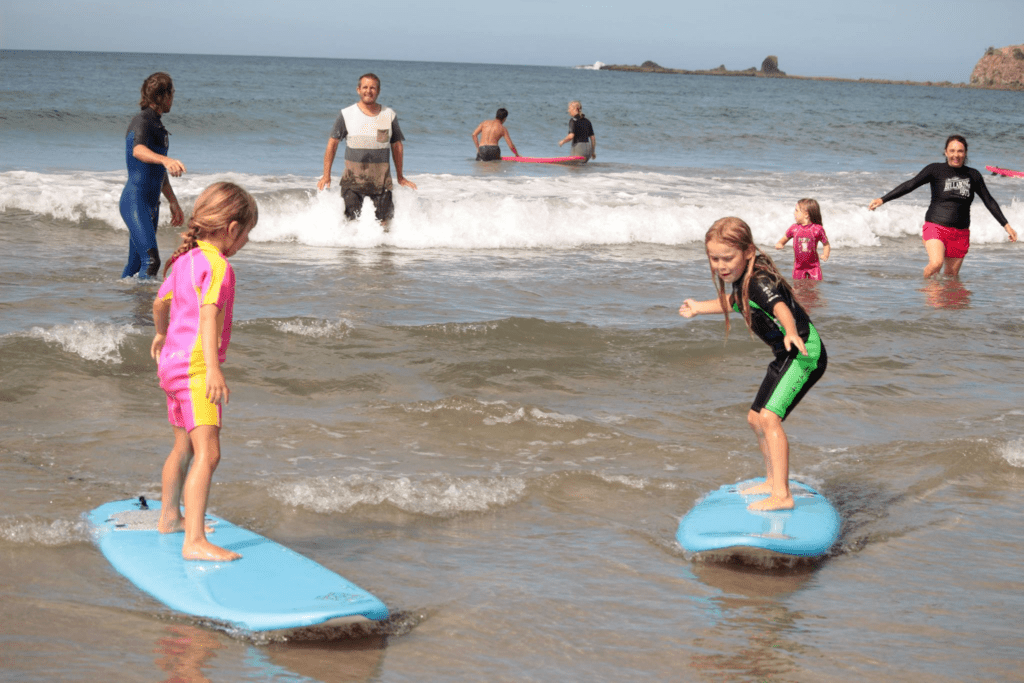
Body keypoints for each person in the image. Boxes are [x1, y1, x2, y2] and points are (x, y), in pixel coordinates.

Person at [679, 217, 827, 511]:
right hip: (785, 356)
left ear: (748, 252)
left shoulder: (758, 281)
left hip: (803, 353)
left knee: (769, 418)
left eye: (727, 258)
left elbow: (780, 307)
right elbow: (733, 302)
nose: (721, 265)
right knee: (755, 418)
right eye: (714, 258)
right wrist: (698, 308)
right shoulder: (743, 281)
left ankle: (782, 495)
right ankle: (772, 482)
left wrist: (791, 331)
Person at [150, 182, 259, 561]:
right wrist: (213, 369)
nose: (246, 240)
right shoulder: (219, 266)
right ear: (232, 228)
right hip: (196, 368)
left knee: (183, 446)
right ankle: (194, 541)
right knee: (208, 454)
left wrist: (160, 334)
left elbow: (159, 302)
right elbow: (209, 315)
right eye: (247, 233)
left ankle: (169, 517)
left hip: (171, 365)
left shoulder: (185, 260)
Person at [868, 134, 1016, 278]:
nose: (956, 155)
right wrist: (883, 199)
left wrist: (1006, 225)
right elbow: (910, 185)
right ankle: (925, 287)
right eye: (952, 151)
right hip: (936, 227)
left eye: (960, 151)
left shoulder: (973, 175)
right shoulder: (935, 170)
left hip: (960, 233)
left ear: (965, 153)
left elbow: (989, 201)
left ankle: (937, 293)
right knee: (936, 264)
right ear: (946, 152)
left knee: (951, 277)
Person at [316, 73, 417, 226]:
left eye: (372, 88)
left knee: (385, 225)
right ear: (358, 89)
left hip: (381, 183)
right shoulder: (346, 114)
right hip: (352, 182)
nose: (368, 91)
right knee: (351, 224)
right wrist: (326, 175)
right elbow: (332, 144)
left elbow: (397, 146)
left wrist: (400, 177)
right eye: (365, 87)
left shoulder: (388, 115)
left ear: (378, 91)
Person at [120, 72, 186, 279]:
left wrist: (173, 201)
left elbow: (158, 172)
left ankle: (121, 298)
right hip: (135, 201)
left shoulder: (157, 125)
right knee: (151, 261)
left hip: (151, 205)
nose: (172, 99)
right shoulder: (142, 121)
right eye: (171, 94)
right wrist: (166, 159)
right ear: (163, 96)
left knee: (135, 265)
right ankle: (148, 301)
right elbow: (138, 150)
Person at [775, 198, 830, 280]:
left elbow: (826, 244)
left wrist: (825, 254)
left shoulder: (817, 229)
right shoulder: (794, 228)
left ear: (806, 214)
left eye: (797, 211)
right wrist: (780, 244)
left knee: (816, 286)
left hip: (814, 267)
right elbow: (784, 239)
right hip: (798, 268)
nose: (794, 213)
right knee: (797, 286)